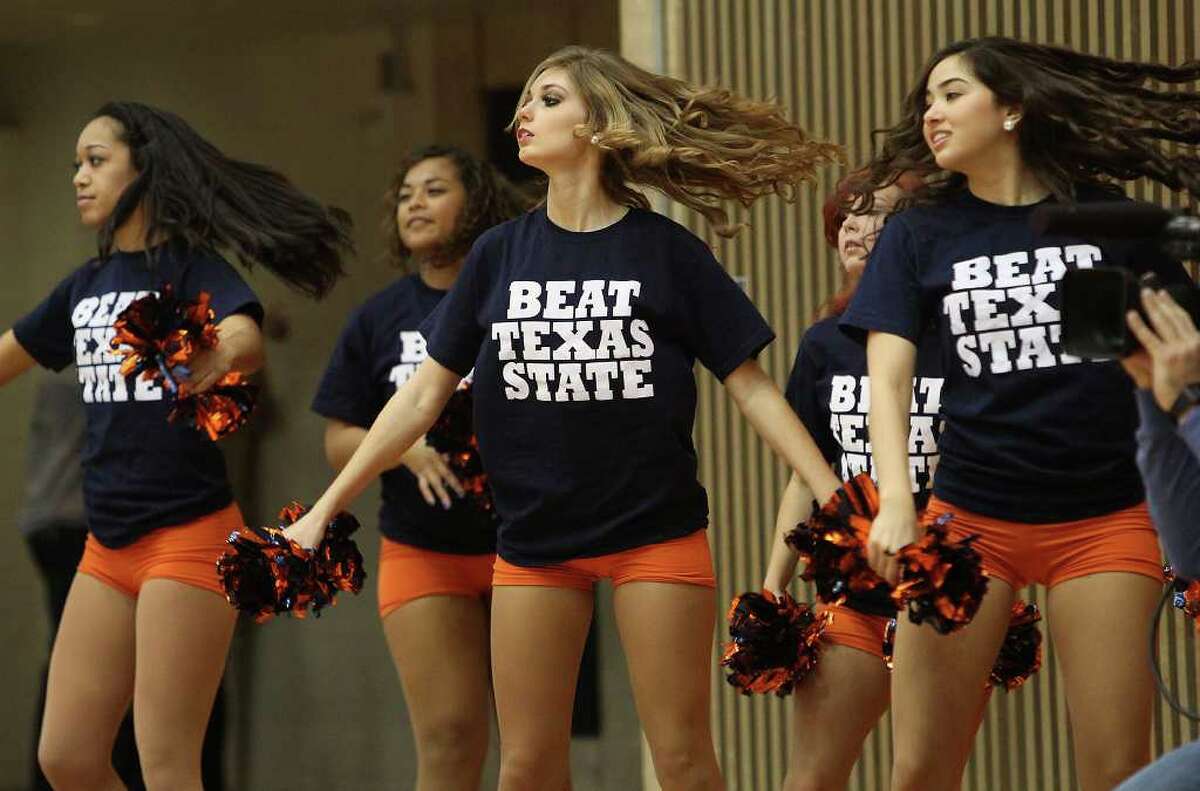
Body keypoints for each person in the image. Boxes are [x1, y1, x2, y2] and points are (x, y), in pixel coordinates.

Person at [284, 44, 843, 790]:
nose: (523, 114)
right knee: (526, 766)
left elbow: (753, 388)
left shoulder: (666, 252)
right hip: (535, 539)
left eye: (548, 99)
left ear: (599, 121)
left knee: (682, 758)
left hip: (655, 532)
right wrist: (324, 509)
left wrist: (831, 491)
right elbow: (420, 397)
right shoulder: (496, 255)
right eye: (524, 102)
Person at [840, 37, 1200, 791]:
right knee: (919, 770)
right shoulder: (918, 232)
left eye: (951, 94)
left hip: (1108, 515)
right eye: (927, 101)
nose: (932, 114)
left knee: (1118, 772)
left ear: (1011, 109)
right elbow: (889, 369)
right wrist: (897, 500)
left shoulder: (1111, 222)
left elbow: (1187, 356)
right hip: (971, 515)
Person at [3, 100, 350, 791]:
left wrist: (220, 357)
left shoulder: (191, 269)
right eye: (76, 164)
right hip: (107, 546)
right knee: (66, 756)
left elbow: (245, 335)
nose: (79, 177)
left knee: (166, 764)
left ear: (144, 170)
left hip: (188, 539)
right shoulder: (84, 288)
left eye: (95, 161)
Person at [311, 144, 528, 791]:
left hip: (527, 542)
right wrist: (405, 446)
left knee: (531, 747)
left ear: (477, 204)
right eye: (405, 195)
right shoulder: (378, 317)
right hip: (423, 548)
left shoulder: (517, 295)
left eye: (433, 190)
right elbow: (337, 439)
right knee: (449, 736)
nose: (415, 204)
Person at [762, 169, 940, 791]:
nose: (860, 230)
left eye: (881, 216)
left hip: (939, 582)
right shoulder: (822, 344)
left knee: (920, 774)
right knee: (813, 776)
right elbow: (805, 476)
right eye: (848, 218)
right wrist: (773, 586)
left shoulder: (948, 334)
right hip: (850, 587)